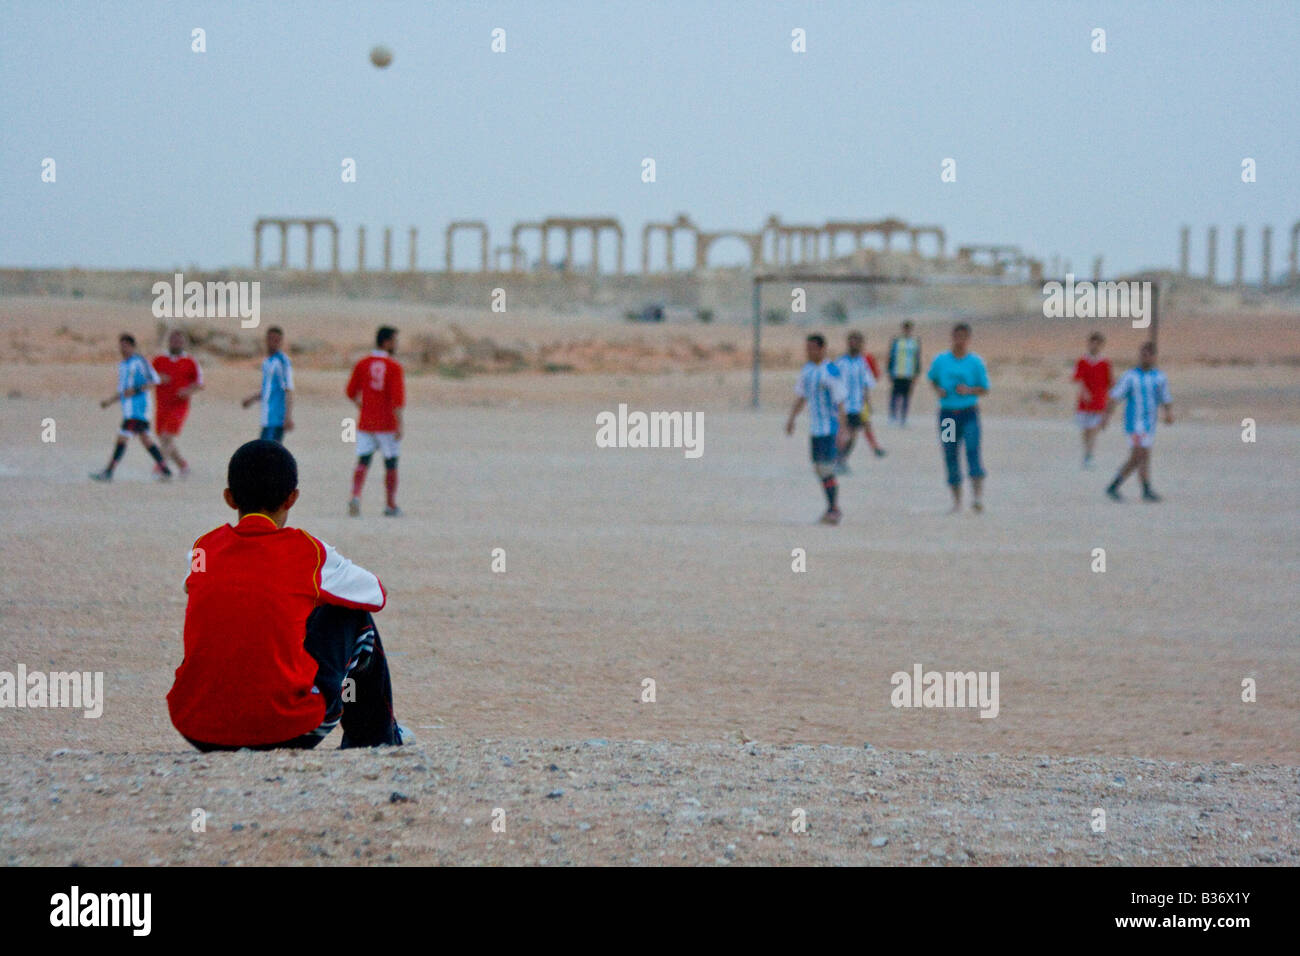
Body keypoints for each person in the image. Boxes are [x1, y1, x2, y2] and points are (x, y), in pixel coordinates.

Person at [167, 440, 411, 750]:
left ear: (229, 498)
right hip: (286, 729)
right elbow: (377, 595)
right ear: (292, 498)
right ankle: (376, 740)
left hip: (197, 727)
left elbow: (195, 585)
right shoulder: (308, 552)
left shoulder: (203, 548)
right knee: (353, 616)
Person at [90, 333, 172, 482]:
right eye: (121, 346)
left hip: (139, 409)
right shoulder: (123, 365)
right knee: (146, 439)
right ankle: (165, 469)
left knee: (122, 438)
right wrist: (109, 401)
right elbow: (124, 390)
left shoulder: (139, 362)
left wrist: (136, 390)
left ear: (133, 347)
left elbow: (154, 380)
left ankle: (109, 471)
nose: (123, 349)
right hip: (128, 409)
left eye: (126, 346)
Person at [786, 334, 849, 524]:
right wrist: (792, 418)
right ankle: (832, 507)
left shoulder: (831, 371)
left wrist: (842, 430)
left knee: (826, 468)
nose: (808, 352)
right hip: (815, 429)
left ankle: (833, 509)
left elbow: (840, 402)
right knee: (818, 468)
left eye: (812, 348)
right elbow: (801, 396)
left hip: (830, 428)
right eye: (807, 348)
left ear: (822, 349)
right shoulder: (807, 370)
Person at [927, 323, 990, 513]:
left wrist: (969, 390)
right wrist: (938, 390)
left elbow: (985, 388)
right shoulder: (941, 360)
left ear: (968, 339)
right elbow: (932, 378)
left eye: (963, 337)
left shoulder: (975, 362)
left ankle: (977, 497)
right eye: (957, 336)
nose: (959, 340)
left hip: (968, 412)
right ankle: (956, 501)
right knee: (950, 454)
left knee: (972, 451)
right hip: (947, 415)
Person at [346, 326, 406, 517]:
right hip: (387, 423)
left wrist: (362, 406)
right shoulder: (394, 367)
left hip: (366, 421)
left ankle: (355, 496)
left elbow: (350, 391)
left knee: (363, 459)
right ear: (386, 342)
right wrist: (400, 424)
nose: (396, 345)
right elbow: (397, 400)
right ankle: (390, 504)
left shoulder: (362, 363)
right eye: (395, 341)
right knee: (391, 463)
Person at [1103, 341, 1173, 502]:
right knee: (1139, 454)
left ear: (1154, 357)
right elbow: (1115, 397)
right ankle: (1115, 486)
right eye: (1142, 354)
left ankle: (1145, 489)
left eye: (1148, 355)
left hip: (1149, 423)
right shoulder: (1130, 376)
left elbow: (1165, 397)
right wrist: (1106, 416)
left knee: (1144, 455)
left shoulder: (1159, 377)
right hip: (1133, 423)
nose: (1144, 358)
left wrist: (1168, 413)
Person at [152, 329, 204, 477]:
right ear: (169, 342)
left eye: (179, 340)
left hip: (179, 406)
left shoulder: (190, 361)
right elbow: (147, 378)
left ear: (184, 343)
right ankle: (182, 465)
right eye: (173, 340)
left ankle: (160, 466)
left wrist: (187, 391)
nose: (176, 343)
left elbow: (199, 383)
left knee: (167, 436)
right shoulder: (159, 360)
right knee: (163, 437)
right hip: (162, 405)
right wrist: (158, 378)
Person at [834, 331, 886, 472]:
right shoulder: (840, 362)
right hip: (842, 405)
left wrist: (867, 403)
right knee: (844, 433)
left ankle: (842, 459)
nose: (854, 344)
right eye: (851, 341)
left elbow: (866, 385)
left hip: (857, 405)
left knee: (853, 434)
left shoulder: (862, 363)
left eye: (857, 342)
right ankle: (838, 459)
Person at [241, 326, 294, 442]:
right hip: (266, 417)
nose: (273, 343)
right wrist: (251, 399)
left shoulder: (283, 362)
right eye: (270, 339)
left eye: (276, 340)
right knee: (265, 453)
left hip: (277, 418)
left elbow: (288, 390)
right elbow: (268, 390)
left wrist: (288, 417)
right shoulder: (267, 362)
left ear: (281, 342)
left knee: (268, 454)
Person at [1072, 332, 1112, 470]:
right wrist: (1084, 392)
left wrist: (1108, 401)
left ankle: (1089, 455)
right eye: (1092, 342)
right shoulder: (1082, 361)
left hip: (1099, 400)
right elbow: (1078, 379)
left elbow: (1109, 382)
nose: (1094, 345)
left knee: (1094, 429)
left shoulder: (1105, 363)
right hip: (1085, 402)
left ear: (1101, 345)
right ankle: (1086, 453)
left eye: (1097, 343)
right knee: (1086, 429)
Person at [887, 320, 922, 426]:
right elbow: (891, 356)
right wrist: (889, 371)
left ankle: (903, 418)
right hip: (897, 372)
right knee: (895, 395)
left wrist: (916, 373)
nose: (907, 330)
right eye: (905, 328)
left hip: (909, 374)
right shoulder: (897, 341)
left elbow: (917, 358)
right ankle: (893, 416)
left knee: (906, 396)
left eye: (908, 328)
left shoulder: (915, 342)